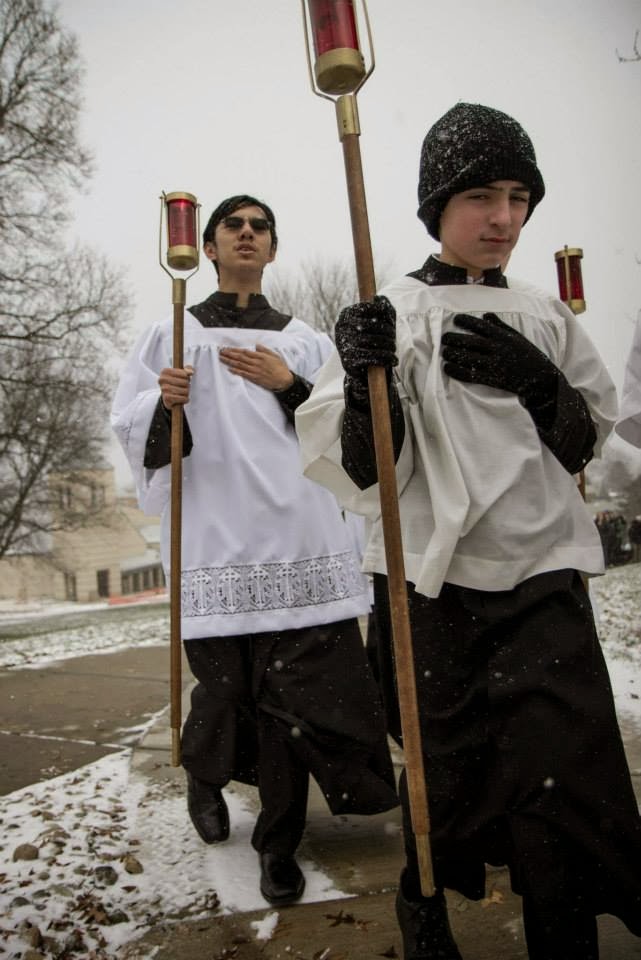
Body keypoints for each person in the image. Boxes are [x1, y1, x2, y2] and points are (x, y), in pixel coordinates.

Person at [295, 104, 641, 959]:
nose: (505, 218)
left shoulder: (543, 313)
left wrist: (543, 386)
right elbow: (369, 471)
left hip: (541, 584)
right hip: (430, 591)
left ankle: (565, 937)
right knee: (446, 784)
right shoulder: (393, 311)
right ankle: (427, 927)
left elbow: (586, 442)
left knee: (563, 794)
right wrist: (365, 371)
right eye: (483, 194)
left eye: (520, 196)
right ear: (436, 204)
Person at [111, 193, 398, 906]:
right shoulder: (170, 335)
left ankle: (278, 842)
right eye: (231, 226)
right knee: (230, 691)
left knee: (289, 709)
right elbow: (130, 426)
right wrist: (162, 403)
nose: (245, 234)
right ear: (206, 248)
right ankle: (203, 776)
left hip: (300, 538)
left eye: (258, 227)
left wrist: (290, 385)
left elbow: (341, 434)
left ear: (272, 249)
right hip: (215, 539)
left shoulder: (305, 343)